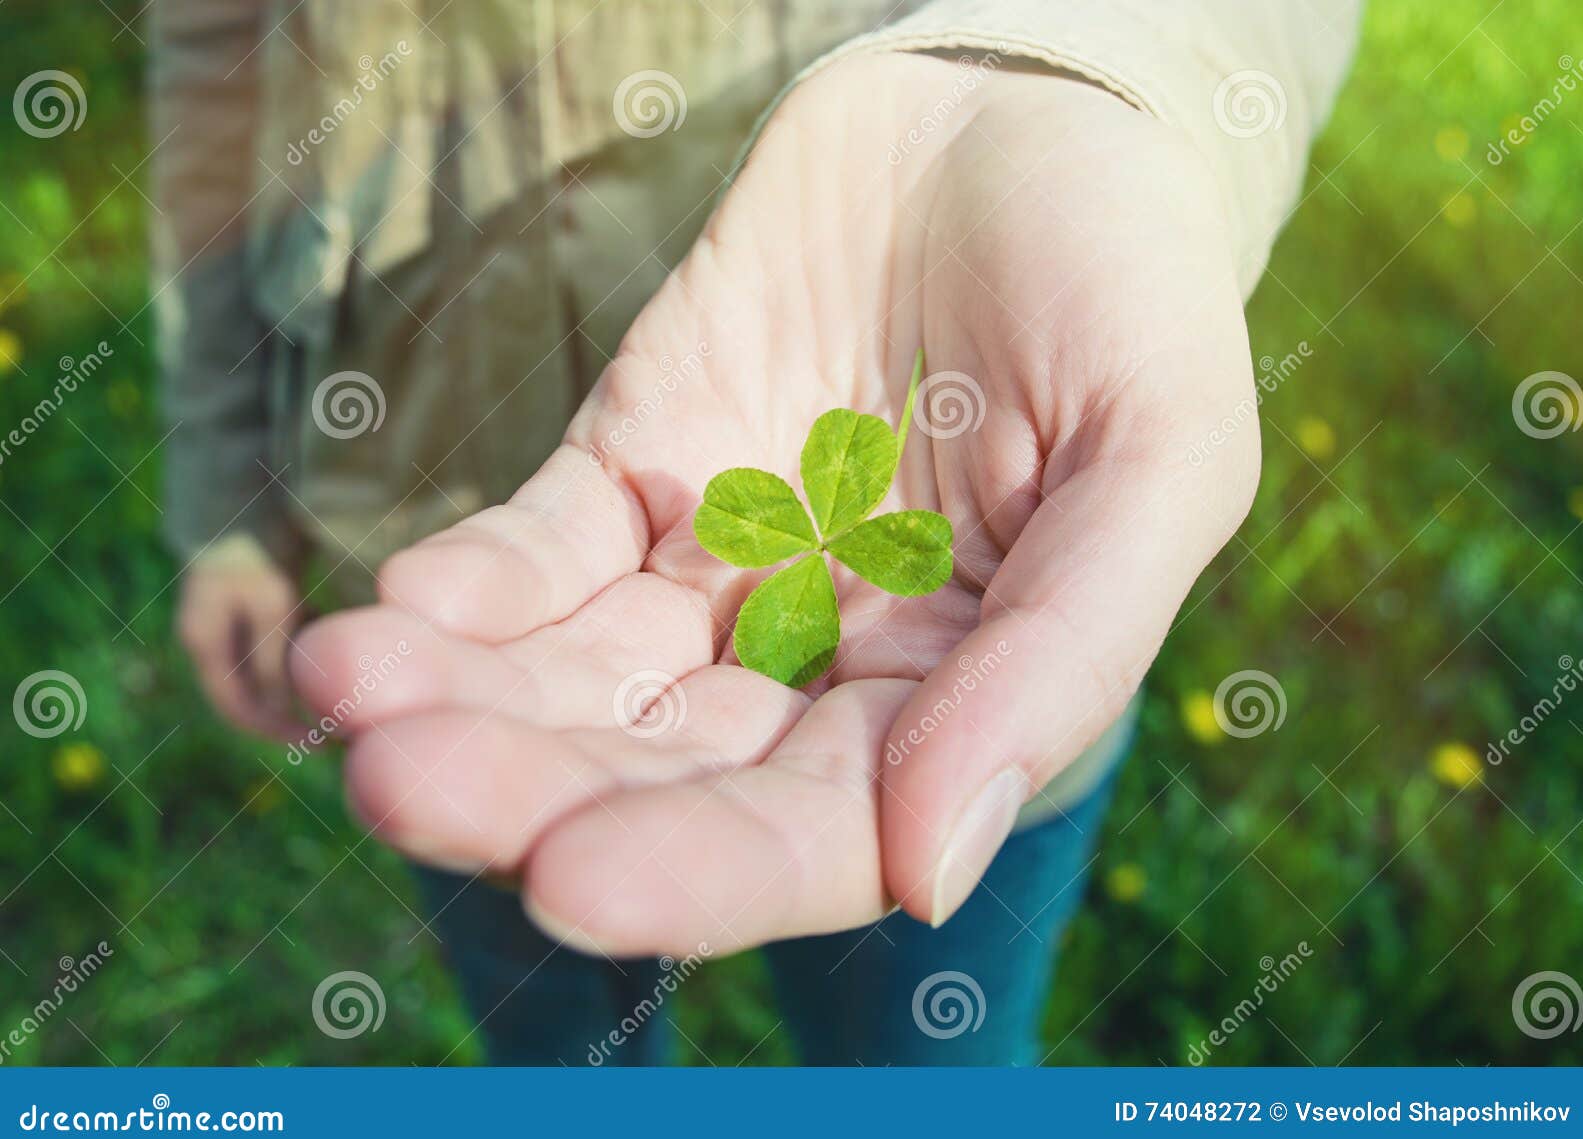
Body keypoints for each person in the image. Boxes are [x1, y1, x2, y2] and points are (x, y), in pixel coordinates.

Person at [154, 0, 1360, 1065]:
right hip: (432, 529)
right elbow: (214, 53)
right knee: (552, 1050)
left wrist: (1089, 72)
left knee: (918, 1076)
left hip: (935, 589)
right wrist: (225, 487)